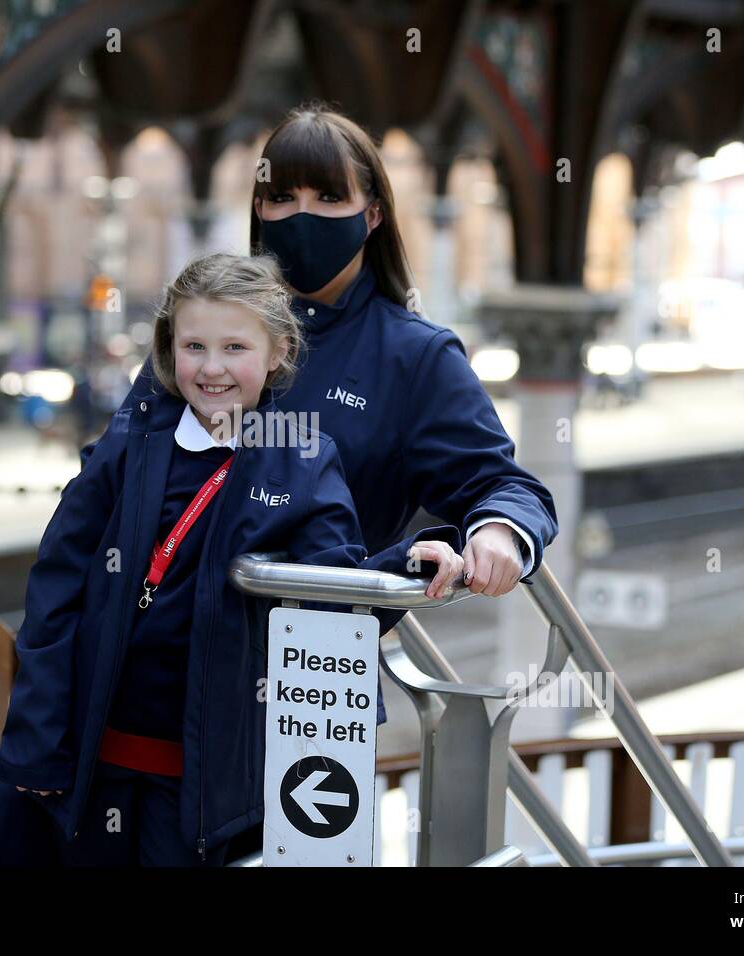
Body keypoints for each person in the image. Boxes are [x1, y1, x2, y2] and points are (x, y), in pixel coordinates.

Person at [0, 253, 464, 867]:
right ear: (169, 350)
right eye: (194, 346)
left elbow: (327, 595)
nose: (213, 368)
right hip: (85, 771)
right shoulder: (130, 442)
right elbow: (55, 590)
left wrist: (406, 564)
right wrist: (35, 745)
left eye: (235, 347)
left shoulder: (305, 459)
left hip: (195, 795)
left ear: (277, 352)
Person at [92, 104, 559, 734]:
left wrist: (499, 532)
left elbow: (503, 485)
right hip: (158, 680)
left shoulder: (415, 356)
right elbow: (112, 477)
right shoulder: (205, 331)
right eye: (281, 195)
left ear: (372, 215)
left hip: (313, 692)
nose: (301, 213)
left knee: (298, 834)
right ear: (258, 210)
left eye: (329, 195)